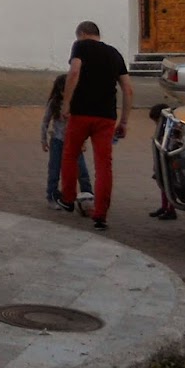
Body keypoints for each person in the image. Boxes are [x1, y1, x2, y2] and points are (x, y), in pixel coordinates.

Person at [58, 20, 133, 231]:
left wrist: (66, 103)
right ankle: (100, 215)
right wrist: (124, 121)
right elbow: (128, 89)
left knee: (70, 154)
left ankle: (68, 198)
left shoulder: (80, 46)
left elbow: (74, 72)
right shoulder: (115, 54)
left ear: (82, 34)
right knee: (103, 165)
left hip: (81, 113)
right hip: (106, 117)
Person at [40, 74, 94, 210]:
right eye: (64, 90)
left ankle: (87, 195)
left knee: (82, 170)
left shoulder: (77, 102)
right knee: (54, 169)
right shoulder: (54, 103)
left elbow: (82, 125)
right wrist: (43, 139)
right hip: (57, 141)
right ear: (59, 90)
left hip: (74, 141)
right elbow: (45, 121)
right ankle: (51, 196)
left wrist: (83, 142)